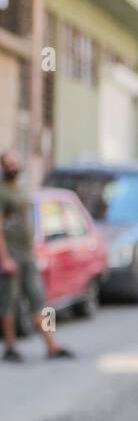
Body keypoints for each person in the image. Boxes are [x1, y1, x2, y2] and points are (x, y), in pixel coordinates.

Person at [0, 152, 72, 362]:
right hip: (11, 255)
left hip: (27, 253)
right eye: (8, 163)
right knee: (9, 302)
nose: (13, 165)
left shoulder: (21, 189)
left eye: (14, 161)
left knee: (39, 298)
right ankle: (10, 346)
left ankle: (52, 344)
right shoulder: (3, 192)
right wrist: (4, 258)